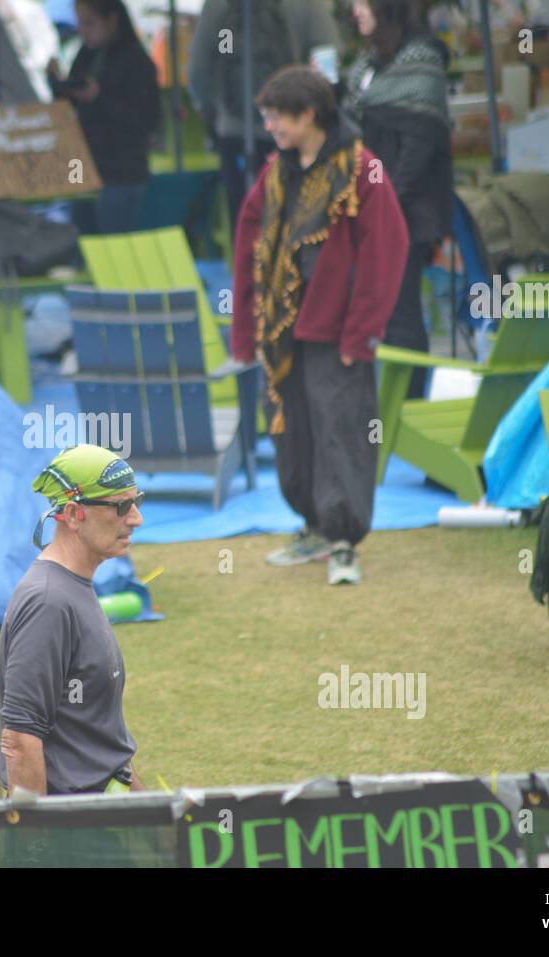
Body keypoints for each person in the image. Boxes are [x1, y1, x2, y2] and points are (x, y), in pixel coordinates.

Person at [231, 66, 408, 584]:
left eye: (277, 117)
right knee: (293, 429)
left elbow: (387, 248)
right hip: (282, 330)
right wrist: (246, 331)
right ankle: (312, 525)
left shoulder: (364, 168)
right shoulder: (275, 172)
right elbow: (248, 244)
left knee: (341, 427)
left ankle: (343, 541)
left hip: (337, 331)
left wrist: (361, 331)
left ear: (309, 115)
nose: (271, 128)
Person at [0, 445, 147, 796]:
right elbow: (19, 740)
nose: (136, 518)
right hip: (73, 831)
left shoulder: (75, 585)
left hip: (101, 814)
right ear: (75, 514)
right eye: (122, 506)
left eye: (136, 501)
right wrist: (36, 847)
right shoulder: (48, 602)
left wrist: (156, 819)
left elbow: (100, 742)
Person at [344, 0, 452, 399]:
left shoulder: (421, 64)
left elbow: (419, 147)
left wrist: (386, 202)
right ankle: (384, 404)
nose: (355, 10)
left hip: (405, 210)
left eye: (363, 3)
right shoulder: (367, 66)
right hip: (368, 207)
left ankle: (409, 406)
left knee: (401, 310)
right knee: (377, 308)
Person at [188, 0, 341, 228]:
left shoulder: (218, 5)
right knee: (294, 219)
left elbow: (199, 70)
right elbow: (328, 68)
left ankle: (247, 264)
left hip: (234, 130)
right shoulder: (309, 4)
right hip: (295, 131)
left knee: (245, 221)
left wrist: (215, 112)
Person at [48, 0, 161, 235]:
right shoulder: (86, 55)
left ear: (112, 21)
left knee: (115, 246)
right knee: (85, 243)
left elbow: (145, 121)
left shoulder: (138, 62)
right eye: (80, 23)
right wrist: (57, 83)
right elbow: (69, 103)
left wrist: (100, 97)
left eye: (89, 23)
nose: (82, 30)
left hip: (121, 174)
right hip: (85, 169)